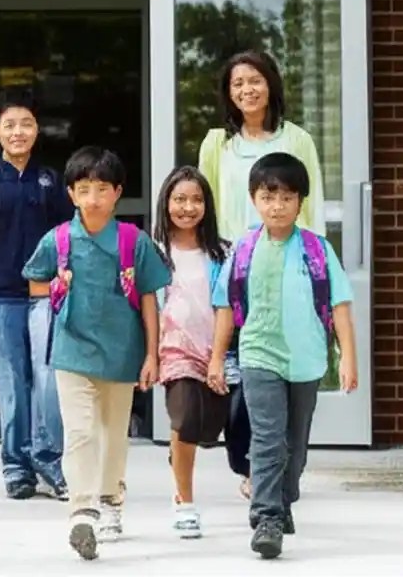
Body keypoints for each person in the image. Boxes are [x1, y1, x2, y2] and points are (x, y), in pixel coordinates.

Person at [207, 152, 359, 560]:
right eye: (268, 196)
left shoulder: (317, 250)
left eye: (287, 197)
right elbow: (225, 307)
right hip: (259, 354)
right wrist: (218, 358)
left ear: (300, 202)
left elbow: (341, 305)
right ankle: (267, 517)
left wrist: (348, 358)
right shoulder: (244, 249)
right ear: (255, 199)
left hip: (307, 359)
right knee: (268, 438)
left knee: (296, 443)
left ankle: (284, 496)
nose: (277, 206)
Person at [22, 147, 170, 561]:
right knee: (81, 432)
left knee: (113, 433)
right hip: (72, 350)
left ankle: (112, 498)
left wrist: (152, 355)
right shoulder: (59, 239)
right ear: (70, 193)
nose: (92, 198)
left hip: (122, 352)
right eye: (83, 189)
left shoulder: (133, 241)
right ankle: (82, 509)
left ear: (118, 192)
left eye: (101, 188)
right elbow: (35, 281)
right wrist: (57, 287)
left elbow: (148, 298)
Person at [197, 49, 325, 499]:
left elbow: (312, 212)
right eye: (237, 84)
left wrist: (314, 274)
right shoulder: (218, 145)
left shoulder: (298, 140)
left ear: (270, 83)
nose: (246, 90)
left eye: (254, 80)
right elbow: (207, 213)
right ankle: (251, 463)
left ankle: (276, 468)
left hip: (288, 267)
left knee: (284, 374)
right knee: (242, 374)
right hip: (237, 270)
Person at [0, 89, 72, 500]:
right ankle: (15, 466)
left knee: (48, 380)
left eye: (25, 124)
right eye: (9, 125)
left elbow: (65, 244)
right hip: (1, 298)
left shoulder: (52, 183)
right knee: (12, 383)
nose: (18, 132)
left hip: (44, 298)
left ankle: (49, 459)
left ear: (37, 129)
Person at [153, 166, 229, 540]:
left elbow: (230, 307)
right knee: (184, 418)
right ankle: (184, 501)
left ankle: (179, 453)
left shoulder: (222, 252)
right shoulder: (154, 252)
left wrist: (222, 354)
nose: (187, 207)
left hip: (216, 351)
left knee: (206, 427)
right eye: (179, 199)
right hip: (175, 351)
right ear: (166, 203)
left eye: (196, 199)